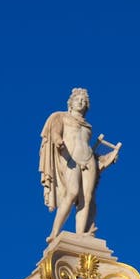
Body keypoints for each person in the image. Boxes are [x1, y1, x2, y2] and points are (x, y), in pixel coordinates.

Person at [39, 88, 120, 241]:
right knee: (72, 192)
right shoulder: (60, 117)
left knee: (87, 198)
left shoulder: (88, 126)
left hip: (89, 159)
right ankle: (54, 233)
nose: (81, 102)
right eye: (78, 99)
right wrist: (57, 140)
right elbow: (55, 132)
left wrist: (106, 158)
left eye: (84, 100)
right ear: (70, 103)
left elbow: (86, 145)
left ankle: (81, 234)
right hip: (71, 159)